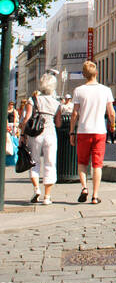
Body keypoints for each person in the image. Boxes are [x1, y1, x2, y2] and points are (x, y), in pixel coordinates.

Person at [70, 61, 115, 204]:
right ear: (97, 73)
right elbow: (111, 112)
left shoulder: (78, 90)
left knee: (82, 162)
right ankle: (95, 196)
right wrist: (112, 125)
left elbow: (74, 114)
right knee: (97, 164)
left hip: (83, 130)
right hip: (99, 131)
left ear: (84, 75)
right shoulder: (106, 90)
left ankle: (84, 187)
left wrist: (72, 131)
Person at [21, 74, 62, 204]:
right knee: (50, 163)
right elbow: (59, 122)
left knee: (34, 161)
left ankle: (36, 189)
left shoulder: (33, 100)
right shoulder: (56, 103)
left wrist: (23, 135)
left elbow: (26, 119)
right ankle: (47, 196)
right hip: (50, 134)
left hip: (35, 135)